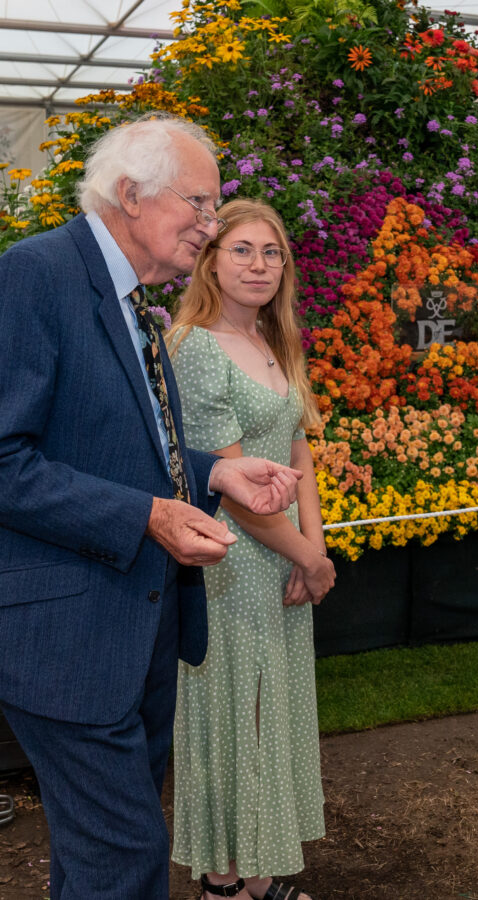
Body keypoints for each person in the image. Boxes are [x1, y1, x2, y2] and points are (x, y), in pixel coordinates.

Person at [0, 114, 305, 900]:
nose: (210, 228)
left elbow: (127, 449)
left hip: (138, 632)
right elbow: (5, 461)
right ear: (130, 195)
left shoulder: (137, 300)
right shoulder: (36, 275)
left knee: (98, 860)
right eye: (200, 206)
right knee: (127, 863)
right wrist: (147, 515)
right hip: (69, 643)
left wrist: (213, 477)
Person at [167, 199, 335, 900]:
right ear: (209, 260)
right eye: (242, 250)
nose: (259, 265)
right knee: (238, 715)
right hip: (230, 563)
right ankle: (224, 881)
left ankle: (259, 876)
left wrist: (314, 550)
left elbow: (297, 447)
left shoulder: (273, 336)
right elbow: (232, 484)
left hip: (286, 556)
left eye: (271, 253)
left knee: (272, 712)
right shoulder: (196, 346)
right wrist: (307, 557)